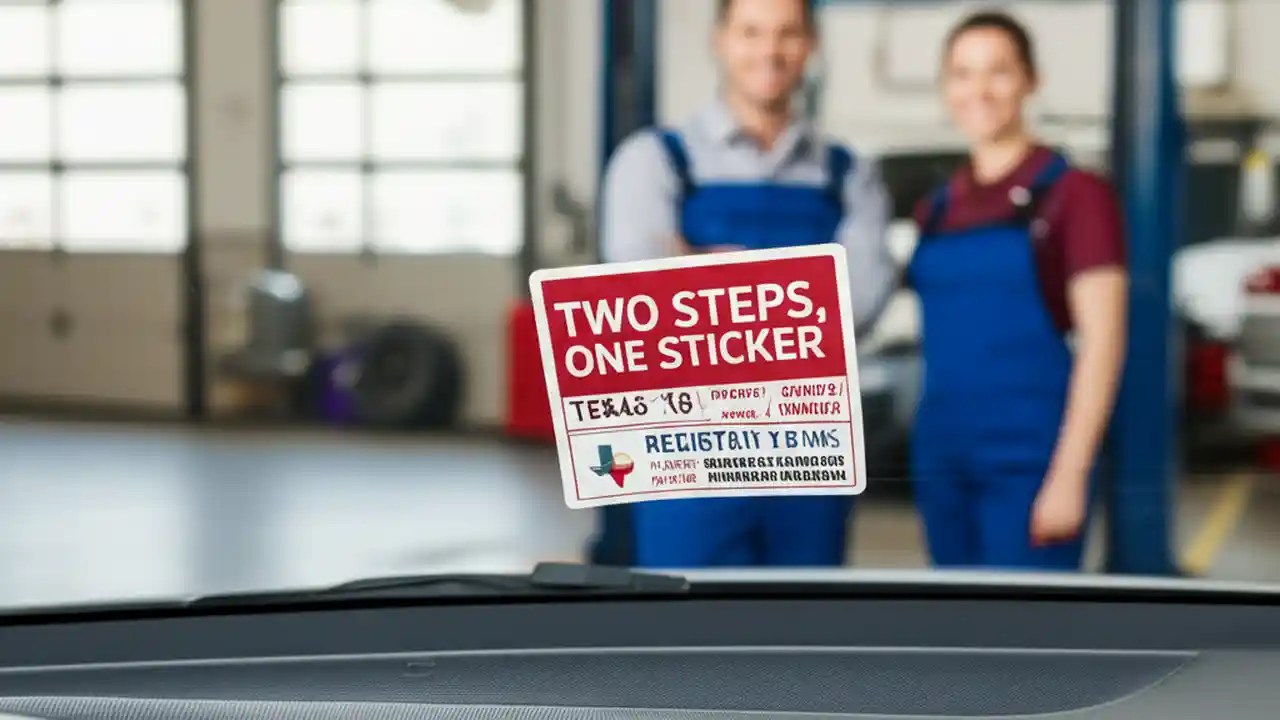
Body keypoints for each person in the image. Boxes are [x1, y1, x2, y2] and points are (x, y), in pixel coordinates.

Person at [599, 0, 895, 568]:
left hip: (812, 444)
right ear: (719, 40)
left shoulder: (848, 174)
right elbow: (639, 305)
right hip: (683, 445)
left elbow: (861, 302)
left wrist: (706, 280)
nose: (769, 50)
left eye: (787, 34)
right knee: (686, 629)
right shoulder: (652, 161)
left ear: (811, 45)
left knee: (805, 628)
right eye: (751, 32)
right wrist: (804, 288)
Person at [909, 11, 1128, 570]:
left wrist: (1070, 476)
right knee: (955, 642)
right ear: (945, 86)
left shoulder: (1076, 195)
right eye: (962, 73)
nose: (978, 90)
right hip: (943, 462)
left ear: (1031, 80)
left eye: (998, 72)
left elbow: (1104, 342)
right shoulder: (936, 208)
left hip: (1030, 463)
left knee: (1029, 647)